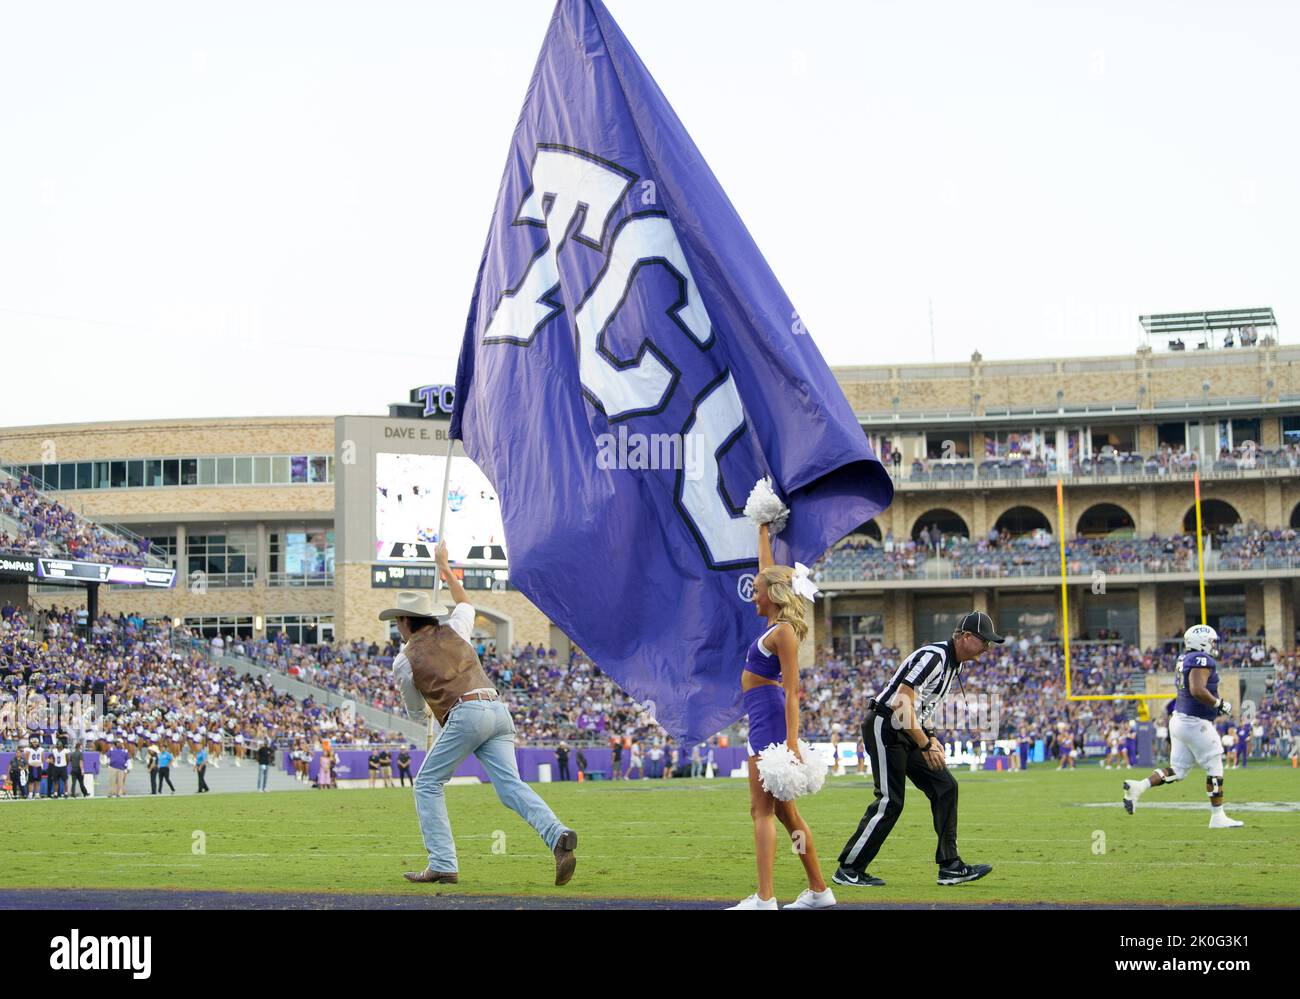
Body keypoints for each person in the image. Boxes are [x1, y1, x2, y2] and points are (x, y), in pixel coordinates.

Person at [390, 539, 577, 887]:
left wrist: (424, 693)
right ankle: (558, 836)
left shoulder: (404, 660)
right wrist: (445, 570)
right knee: (510, 787)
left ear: (403, 621)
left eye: (398, 622)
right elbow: (465, 602)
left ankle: (443, 863)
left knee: (428, 783)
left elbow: (415, 710)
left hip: (466, 713)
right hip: (496, 707)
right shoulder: (456, 628)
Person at [833, 611, 999, 889]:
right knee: (890, 801)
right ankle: (849, 868)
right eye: (985, 641)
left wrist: (931, 739)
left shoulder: (953, 665)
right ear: (966, 637)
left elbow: (925, 708)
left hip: (907, 729)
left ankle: (950, 866)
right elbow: (902, 703)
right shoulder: (934, 657)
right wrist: (924, 743)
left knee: (945, 786)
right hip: (886, 725)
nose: (988, 648)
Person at [728, 522, 834, 911]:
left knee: (761, 811)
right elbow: (767, 569)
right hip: (762, 718)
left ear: (772, 596)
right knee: (788, 815)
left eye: (757, 592)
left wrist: (791, 743)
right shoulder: (773, 625)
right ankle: (819, 890)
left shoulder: (784, 632)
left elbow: (792, 690)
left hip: (771, 723)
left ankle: (765, 897)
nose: (753, 596)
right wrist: (762, 531)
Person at [1123, 624, 1243, 828]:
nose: (1215, 645)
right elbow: (1197, 689)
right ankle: (1217, 816)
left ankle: (1138, 787)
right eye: (1212, 641)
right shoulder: (1200, 659)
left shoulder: (1185, 658)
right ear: (1202, 642)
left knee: (1177, 770)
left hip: (1180, 719)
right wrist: (1219, 704)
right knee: (1215, 765)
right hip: (1194, 722)